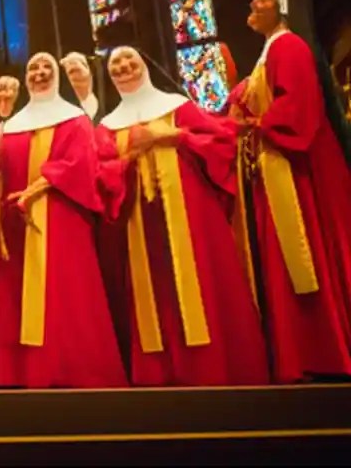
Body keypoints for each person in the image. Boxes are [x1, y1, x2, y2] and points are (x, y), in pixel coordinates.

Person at [96, 47, 269, 386]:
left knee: (200, 283)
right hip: (140, 219)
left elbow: (220, 139)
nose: (123, 67)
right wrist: (130, 156)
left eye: (130, 60)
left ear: (144, 65)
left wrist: (171, 135)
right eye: (115, 64)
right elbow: (100, 172)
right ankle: (160, 375)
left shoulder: (176, 107)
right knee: (154, 294)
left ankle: (209, 369)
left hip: (190, 213)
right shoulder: (106, 125)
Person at [0, 52, 125, 388]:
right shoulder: (11, 126)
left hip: (60, 217)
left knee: (63, 294)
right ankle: (22, 373)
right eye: (33, 68)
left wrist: (36, 188)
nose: (40, 73)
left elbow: (80, 164)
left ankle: (70, 370)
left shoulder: (74, 119)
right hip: (16, 224)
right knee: (19, 299)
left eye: (46, 67)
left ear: (57, 77)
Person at [229, 0, 351, 381]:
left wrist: (257, 125)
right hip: (273, 164)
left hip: (294, 168)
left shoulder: (288, 46)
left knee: (305, 253)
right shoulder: (268, 54)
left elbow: (295, 107)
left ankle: (320, 351)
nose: (253, 1)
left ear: (282, 10)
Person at [61, 52, 100, 120]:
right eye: (69, 64)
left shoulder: (105, 104)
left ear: (91, 73)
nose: (74, 64)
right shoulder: (61, 108)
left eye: (81, 63)